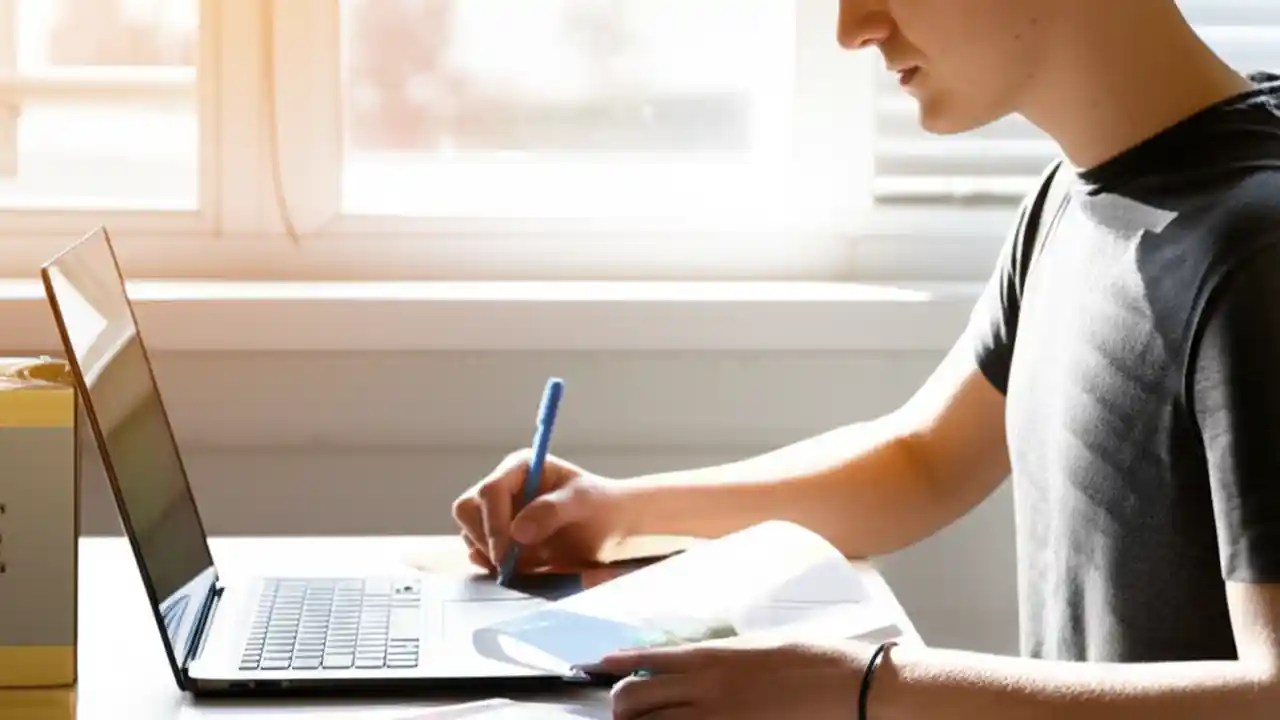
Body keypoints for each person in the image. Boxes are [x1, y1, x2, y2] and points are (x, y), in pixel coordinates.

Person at [452, 2, 1280, 717]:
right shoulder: (1078, 194)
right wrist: (615, 510)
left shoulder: (1256, 255)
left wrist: (869, 690)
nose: (853, 29)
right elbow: (923, 461)